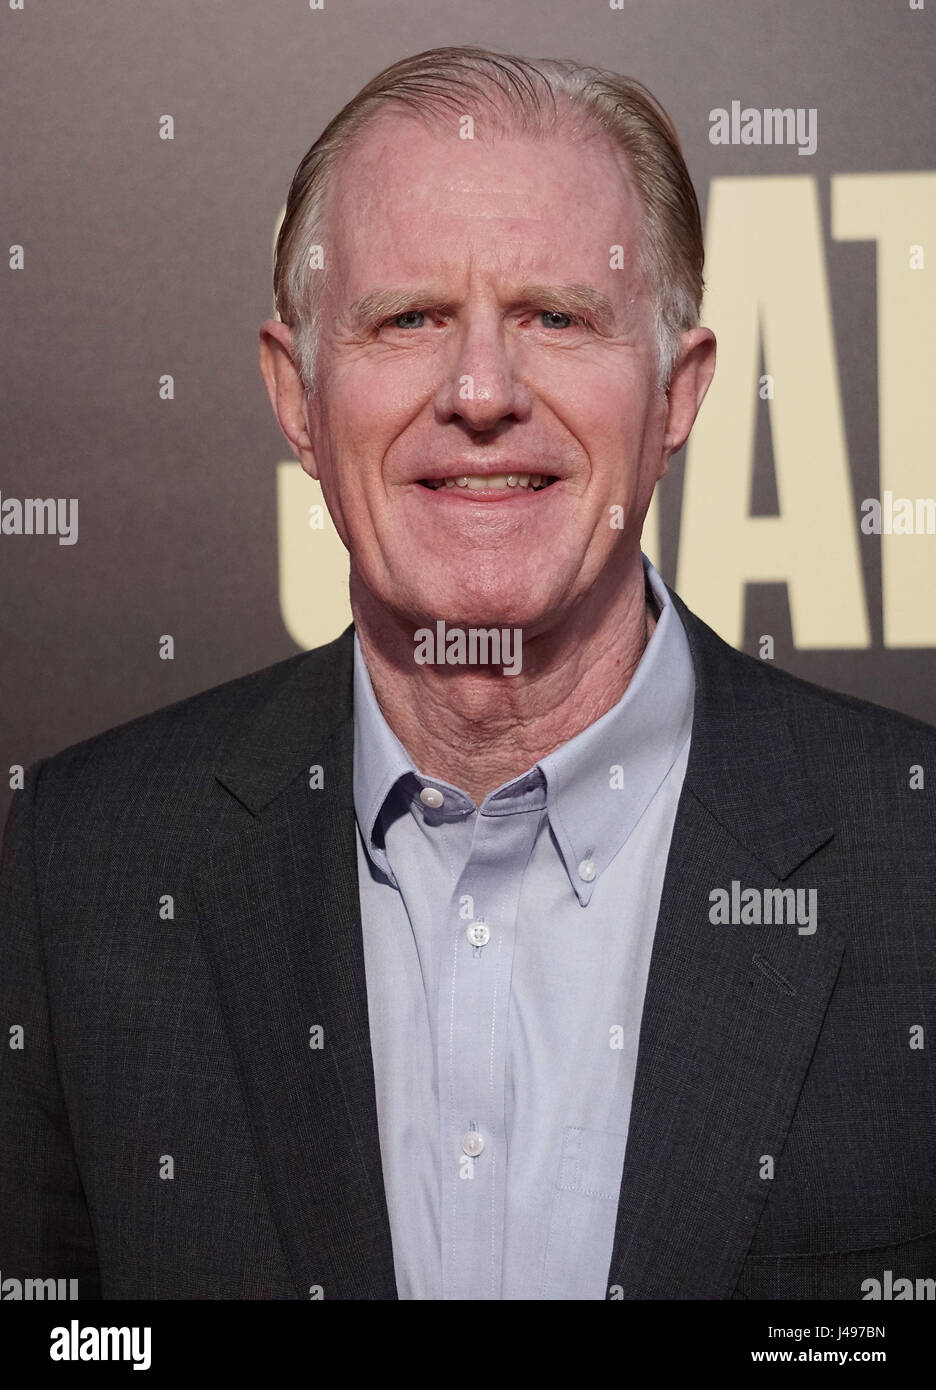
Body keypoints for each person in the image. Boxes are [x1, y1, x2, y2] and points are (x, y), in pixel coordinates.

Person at [1, 46, 933, 1302]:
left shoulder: (913, 857)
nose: (482, 392)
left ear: (677, 392)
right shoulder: (79, 869)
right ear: (297, 396)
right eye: (408, 319)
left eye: (557, 315)